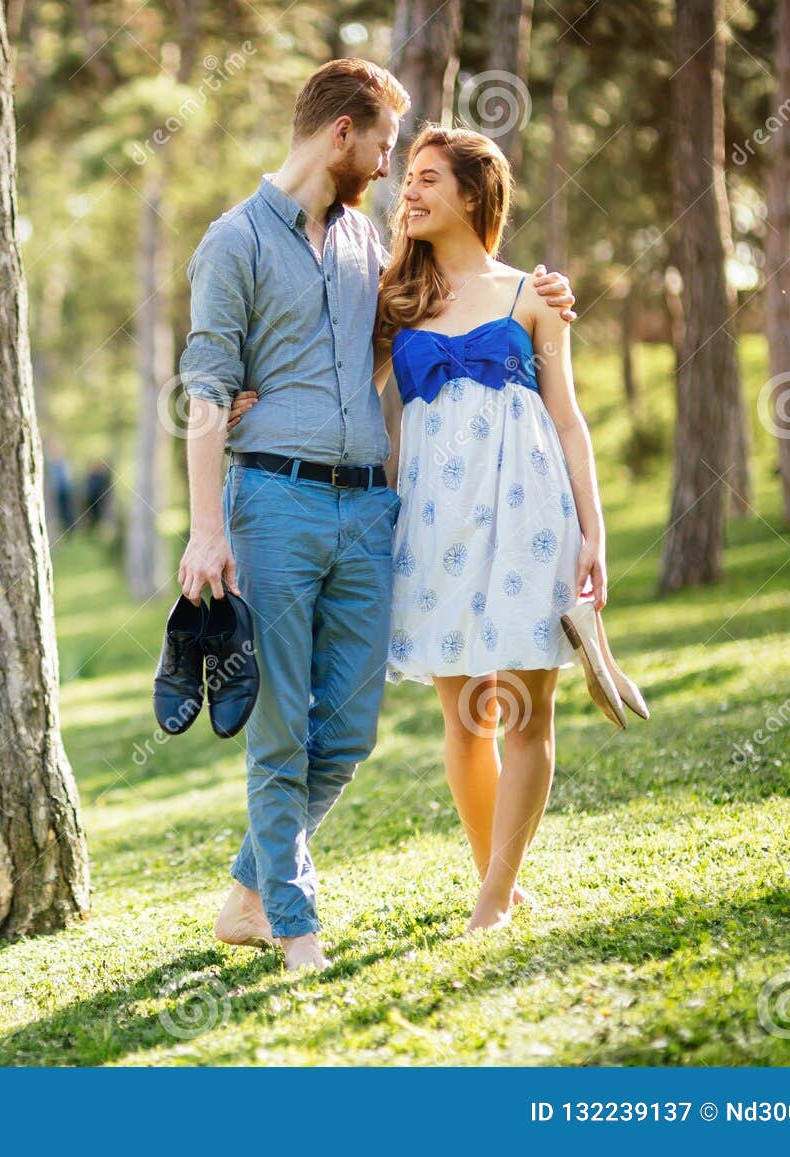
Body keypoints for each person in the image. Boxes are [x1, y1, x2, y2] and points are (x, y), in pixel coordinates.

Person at [180, 59, 576, 971]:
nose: (394, 170)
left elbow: (460, 310)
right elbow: (205, 393)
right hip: (273, 504)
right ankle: (294, 922)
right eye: (387, 148)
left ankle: (247, 891)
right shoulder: (233, 241)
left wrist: (539, 297)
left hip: (369, 513)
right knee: (284, 725)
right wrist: (208, 527)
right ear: (341, 136)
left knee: (348, 730)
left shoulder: (371, 252)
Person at [375, 126, 605, 933]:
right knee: (466, 715)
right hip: (436, 521)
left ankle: (490, 901)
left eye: (428, 177)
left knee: (525, 708)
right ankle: (498, 882)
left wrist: (593, 532)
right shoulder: (394, 298)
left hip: (528, 512)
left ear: (472, 195)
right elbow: (332, 376)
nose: (409, 190)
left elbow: (569, 420)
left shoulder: (534, 295)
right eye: (407, 176)